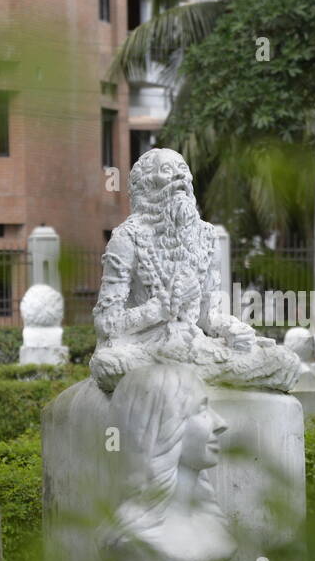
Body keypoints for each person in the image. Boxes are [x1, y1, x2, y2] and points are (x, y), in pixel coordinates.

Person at [89, 148, 299, 393]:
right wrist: (160, 308)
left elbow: (206, 315)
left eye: (183, 172)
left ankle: (185, 376)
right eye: (167, 171)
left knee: (284, 362)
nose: (179, 178)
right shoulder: (126, 237)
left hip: (193, 347)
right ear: (146, 185)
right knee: (110, 365)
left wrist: (230, 328)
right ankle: (192, 376)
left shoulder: (207, 236)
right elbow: (107, 323)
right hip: (145, 346)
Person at [103, 364, 237, 561]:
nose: (221, 424)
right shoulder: (135, 539)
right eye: (201, 409)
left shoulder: (210, 519)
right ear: (160, 426)